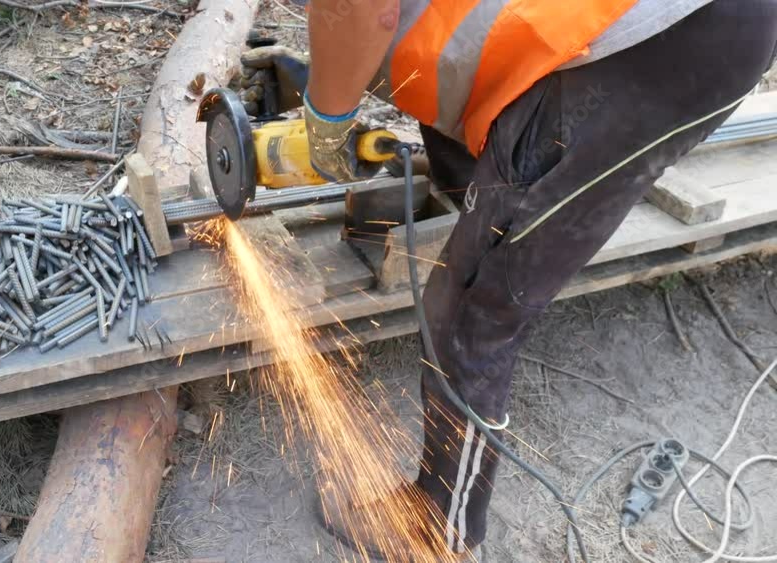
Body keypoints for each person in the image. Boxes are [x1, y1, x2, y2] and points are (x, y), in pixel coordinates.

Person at [237, 0, 777, 559]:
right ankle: (486, 202)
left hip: (658, 44)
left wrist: (326, 119)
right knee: (490, 168)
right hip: (652, 25)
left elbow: (360, 10)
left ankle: (436, 530)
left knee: (472, 307)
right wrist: (319, 70)